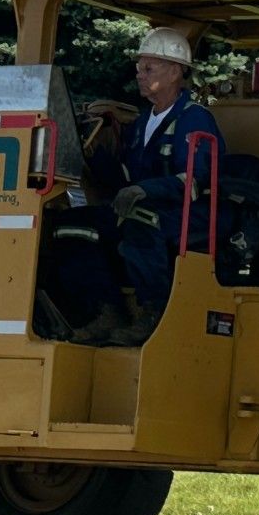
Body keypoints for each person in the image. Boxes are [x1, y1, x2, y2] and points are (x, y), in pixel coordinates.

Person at [85, 25, 223, 320]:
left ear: (174, 72)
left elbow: (196, 179)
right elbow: (125, 178)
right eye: (138, 68)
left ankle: (153, 314)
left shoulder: (194, 118)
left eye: (148, 68)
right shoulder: (143, 121)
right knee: (76, 225)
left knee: (141, 223)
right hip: (145, 205)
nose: (139, 74)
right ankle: (104, 313)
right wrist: (93, 152)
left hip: (188, 211)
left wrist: (145, 191)